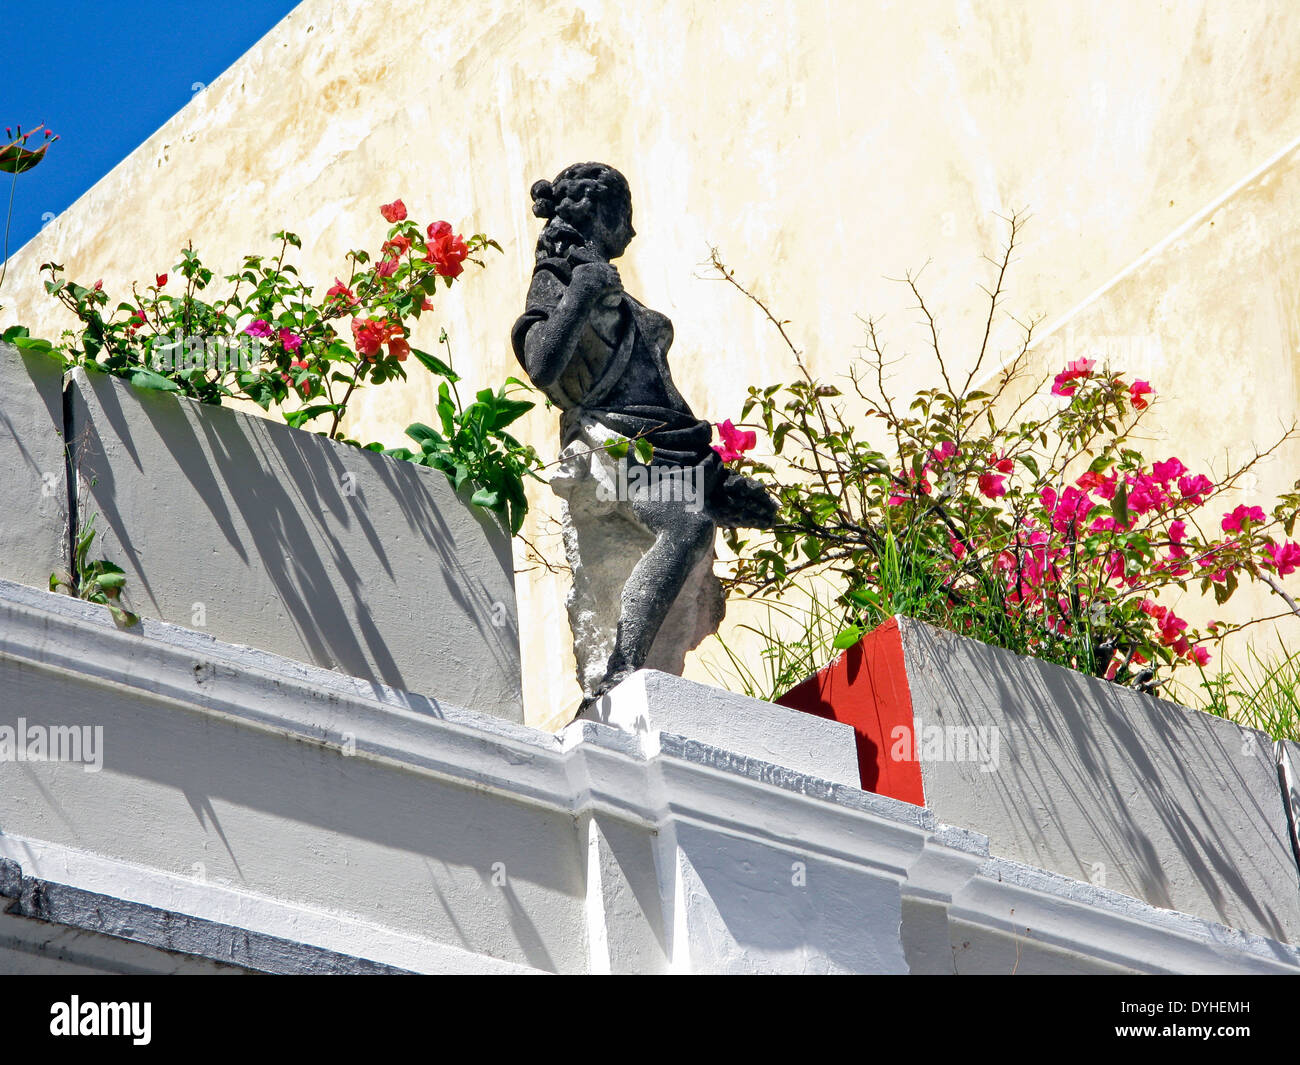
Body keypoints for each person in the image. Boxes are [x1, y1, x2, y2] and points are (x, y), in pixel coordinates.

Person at [512, 162, 774, 699]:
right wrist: (582, 291)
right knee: (686, 523)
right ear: (594, 211)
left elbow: (659, 388)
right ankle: (621, 664)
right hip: (613, 443)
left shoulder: (599, 278)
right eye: (623, 216)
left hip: (665, 443)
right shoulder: (558, 277)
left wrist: (711, 474)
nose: (630, 232)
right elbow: (541, 364)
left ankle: (632, 661)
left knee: (692, 521)